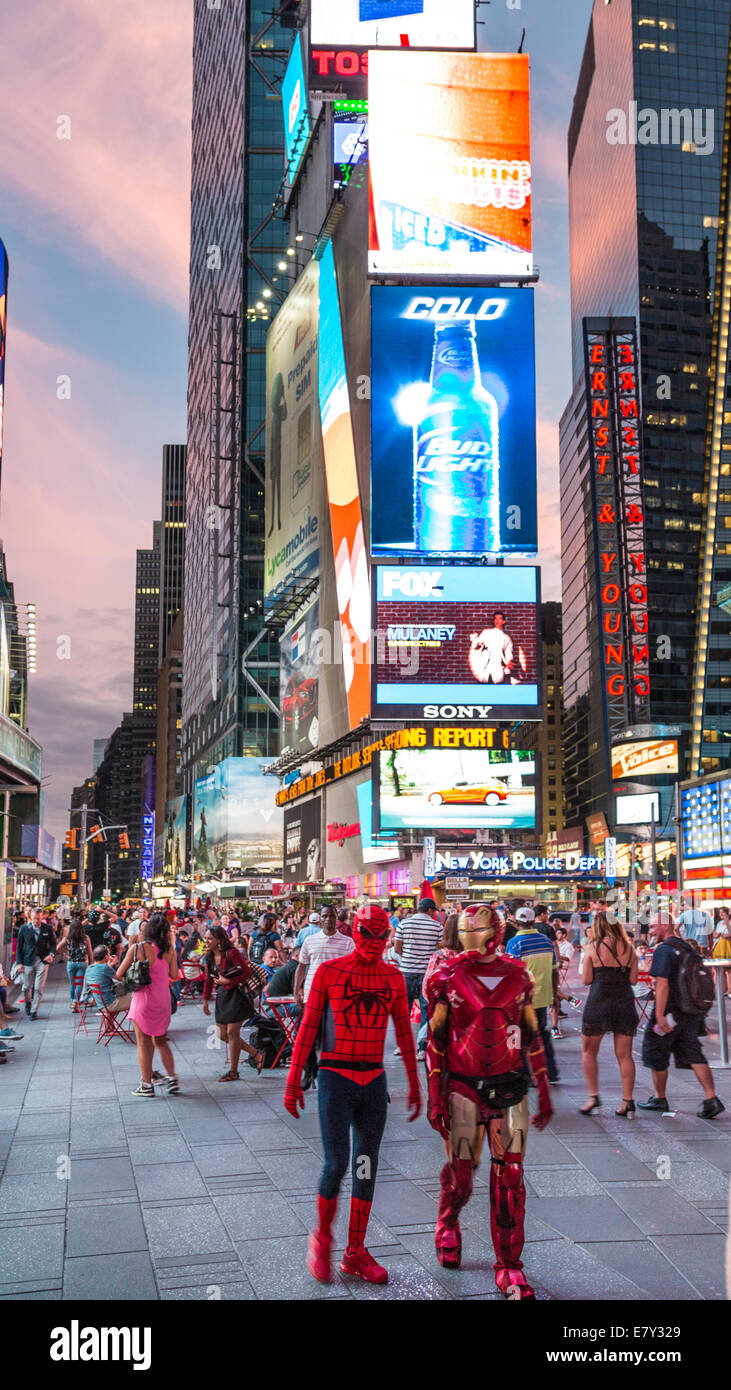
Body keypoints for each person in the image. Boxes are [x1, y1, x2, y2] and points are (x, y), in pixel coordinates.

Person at [284, 903, 421, 1286]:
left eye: (381, 936)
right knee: (336, 1164)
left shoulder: (392, 977)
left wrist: (414, 1081)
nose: (374, 943)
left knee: (365, 1164)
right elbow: (308, 1029)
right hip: (336, 1079)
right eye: (368, 935)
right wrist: (294, 1080)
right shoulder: (329, 972)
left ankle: (355, 1251)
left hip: (372, 1083)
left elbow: (405, 1033)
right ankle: (323, 1238)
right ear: (354, 931)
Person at [425, 904, 552, 1298]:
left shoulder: (518, 976)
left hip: (509, 1085)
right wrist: (435, 1094)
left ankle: (510, 1266)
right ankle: (448, 1221)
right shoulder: (448, 976)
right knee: (462, 1171)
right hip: (463, 1085)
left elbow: (531, 1034)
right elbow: (436, 1039)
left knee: (510, 1178)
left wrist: (543, 1088)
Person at [639, 917, 725, 1119]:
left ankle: (659, 1098)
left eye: (652, 926)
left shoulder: (663, 949)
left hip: (670, 1010)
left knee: (655, 1050)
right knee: (693, 1052)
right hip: (690, 1010)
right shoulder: (686, 947)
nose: (650, 931)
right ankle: (711, 1098)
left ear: (664, 925)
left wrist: (659, 1015)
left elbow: (662, 983)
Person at [579, 911, 639, 1117]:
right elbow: (633, 980)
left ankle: (593, 1096)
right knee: (625, 1055)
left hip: (599, 1002)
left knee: (589, 1051)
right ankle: (627, 1101)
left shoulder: (592, 948)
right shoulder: (630, 949)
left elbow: (586, 980)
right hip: (624, 1002)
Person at [116, 913, 180, 1097]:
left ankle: (146, 1085)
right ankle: (172, 1078)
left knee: (143, 1043)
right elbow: (174, 975)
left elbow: (119, 973)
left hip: (143, 1001)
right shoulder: (170, 951)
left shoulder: (137, 949)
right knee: (160, 1041)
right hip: (163, 1001)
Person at [504, 907, 560, 1083]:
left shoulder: (514, 943)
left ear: (516, 922)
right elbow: (554, 971)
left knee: (519, 1037)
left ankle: (525, 1075)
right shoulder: (545, 941)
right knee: (542, 1034)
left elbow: (510, 974)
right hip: (543, 997)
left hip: (522, 999)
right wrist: (554, 994)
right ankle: (550, 1072)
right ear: (534, 920)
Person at [202, 924, 264, 1081]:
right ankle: (255, 1054)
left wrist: (228, 980)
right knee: (222, 1034)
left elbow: (247, 972)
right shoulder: (209, 956)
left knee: (232, 1033)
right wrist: (205, 999)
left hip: (237, 995)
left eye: (210, 938)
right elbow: (208, 979)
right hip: (222, 996)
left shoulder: (232, 952)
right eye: (206, 938)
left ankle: (233, 1072)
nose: (206, 941)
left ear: (219, 940)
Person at [393, 897, 442, 1060]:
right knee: (426, 1010)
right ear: (429, 910)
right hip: (426, 974)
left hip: (406, 971)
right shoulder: (436, 926)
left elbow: (397, 948)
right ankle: (422, 1049)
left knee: (403, 1011)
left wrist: (409, 957)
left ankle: (402, 1046)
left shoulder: (404, 924)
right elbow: (438, 949)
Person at [295, 905, 355, 1007]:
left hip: (338, 995)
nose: (328, 919)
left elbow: (353, 970)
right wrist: (296, 992)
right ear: (320, 919)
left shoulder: (348, 942)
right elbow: (301, 967)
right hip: (312, 992)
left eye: (332, 916)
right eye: (325, 916)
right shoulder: (309, 941)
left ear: (336, 918)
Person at [16, 909, 57, 1020]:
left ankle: (34, 1010)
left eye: (38, 919)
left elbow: (53, 943)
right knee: (27, 987)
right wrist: (19, 963)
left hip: (42, 961)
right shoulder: (24, 928)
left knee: (39, 987)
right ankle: (28, 1003)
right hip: (27, 961)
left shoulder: (47, 928)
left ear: (42, 917)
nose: (36, 921)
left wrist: (51, 954)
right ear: (30, 917)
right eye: (34, 919)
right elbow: (19, 947)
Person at [58, 916, 93, 1012]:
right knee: (79, 984)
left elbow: (57, 948)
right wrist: (92, 964)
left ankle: (74, 1003)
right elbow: (90, 953)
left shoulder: (67, 938)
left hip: (71, 963)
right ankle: (75, 1002)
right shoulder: (86, 938)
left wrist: (66, 954)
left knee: (72, 984)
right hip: (82, 964)